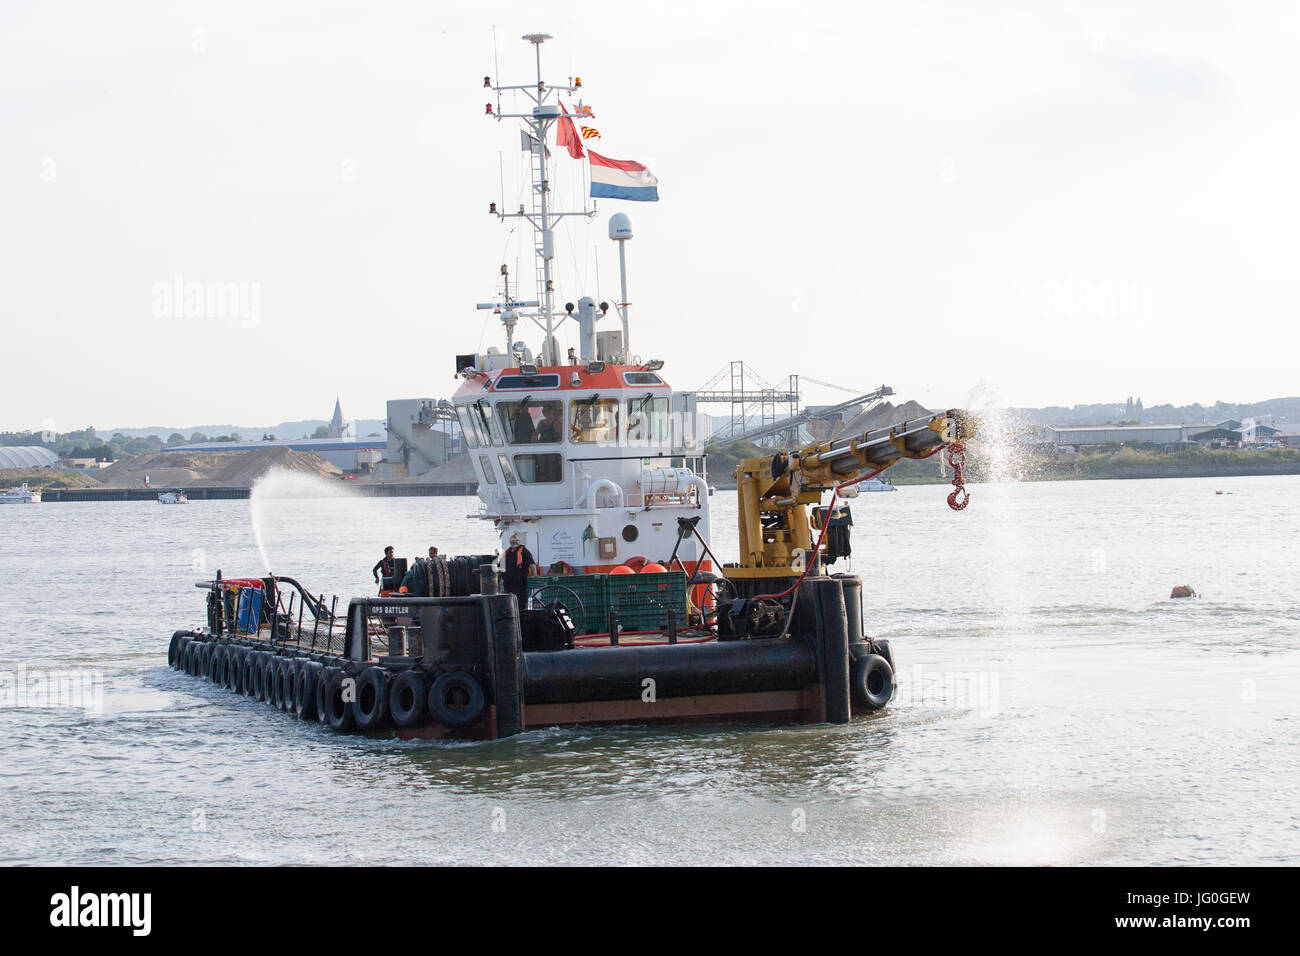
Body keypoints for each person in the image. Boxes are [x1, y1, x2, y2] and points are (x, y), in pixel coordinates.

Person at [502, 533, 537, 610]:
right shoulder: (506, 553)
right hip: (507, 584)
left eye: (516, 540)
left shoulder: (524, 551)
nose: (514, 542)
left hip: (520, 583)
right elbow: (500, 568)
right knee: (509, 604)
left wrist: (535, 574)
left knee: (519, 603)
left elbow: (531, 563)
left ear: (519, 541)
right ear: (510, 541)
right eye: (513, 540)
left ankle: (520, 617)